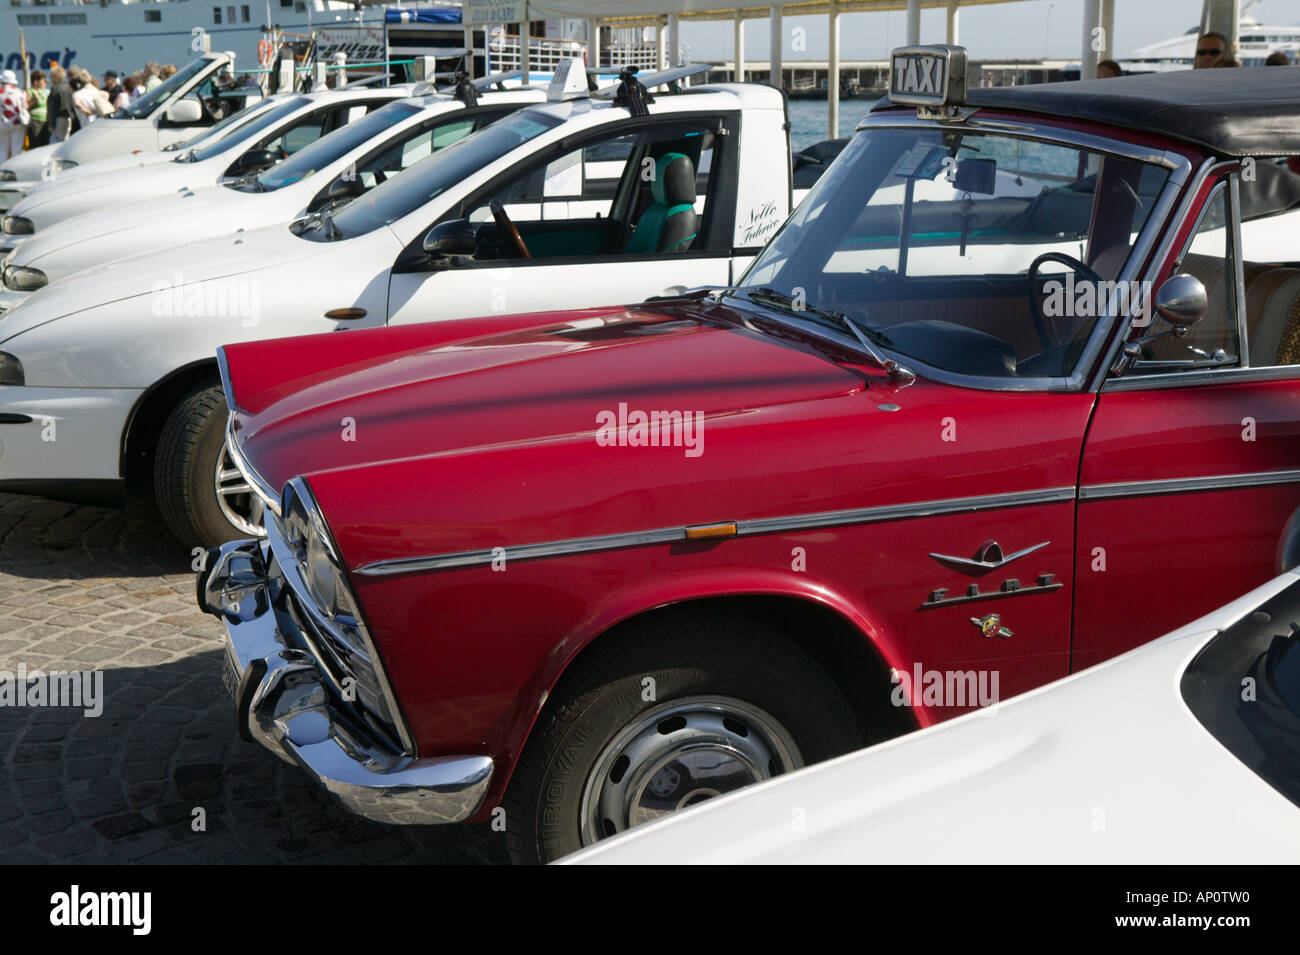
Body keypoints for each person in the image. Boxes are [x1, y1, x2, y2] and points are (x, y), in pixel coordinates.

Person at [0, 70, 28, 161]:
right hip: (17, 124)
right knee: (17, 149)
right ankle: (14, 170)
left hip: (2, 124)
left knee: (2, 150)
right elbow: (24, 107)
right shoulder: (20, 92)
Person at [46, 64, 73, 142]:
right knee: (65, 140)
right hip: (68, 118)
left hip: (58, 119)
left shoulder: (55, 89)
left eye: (51, 76)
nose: (50, 78)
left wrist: (51, 124)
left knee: (55, 141)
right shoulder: (68, 87)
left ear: (55, 77)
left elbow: (52, 108)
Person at [25, 70, 49, 148]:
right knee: (36, 143)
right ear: (35, 82)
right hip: (35, 122)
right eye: (42, 80)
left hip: (45, 122)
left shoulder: (45, 92)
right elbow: (26, 106)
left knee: (45, 144)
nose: (44, 82)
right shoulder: (30, 91)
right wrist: (34, 100)